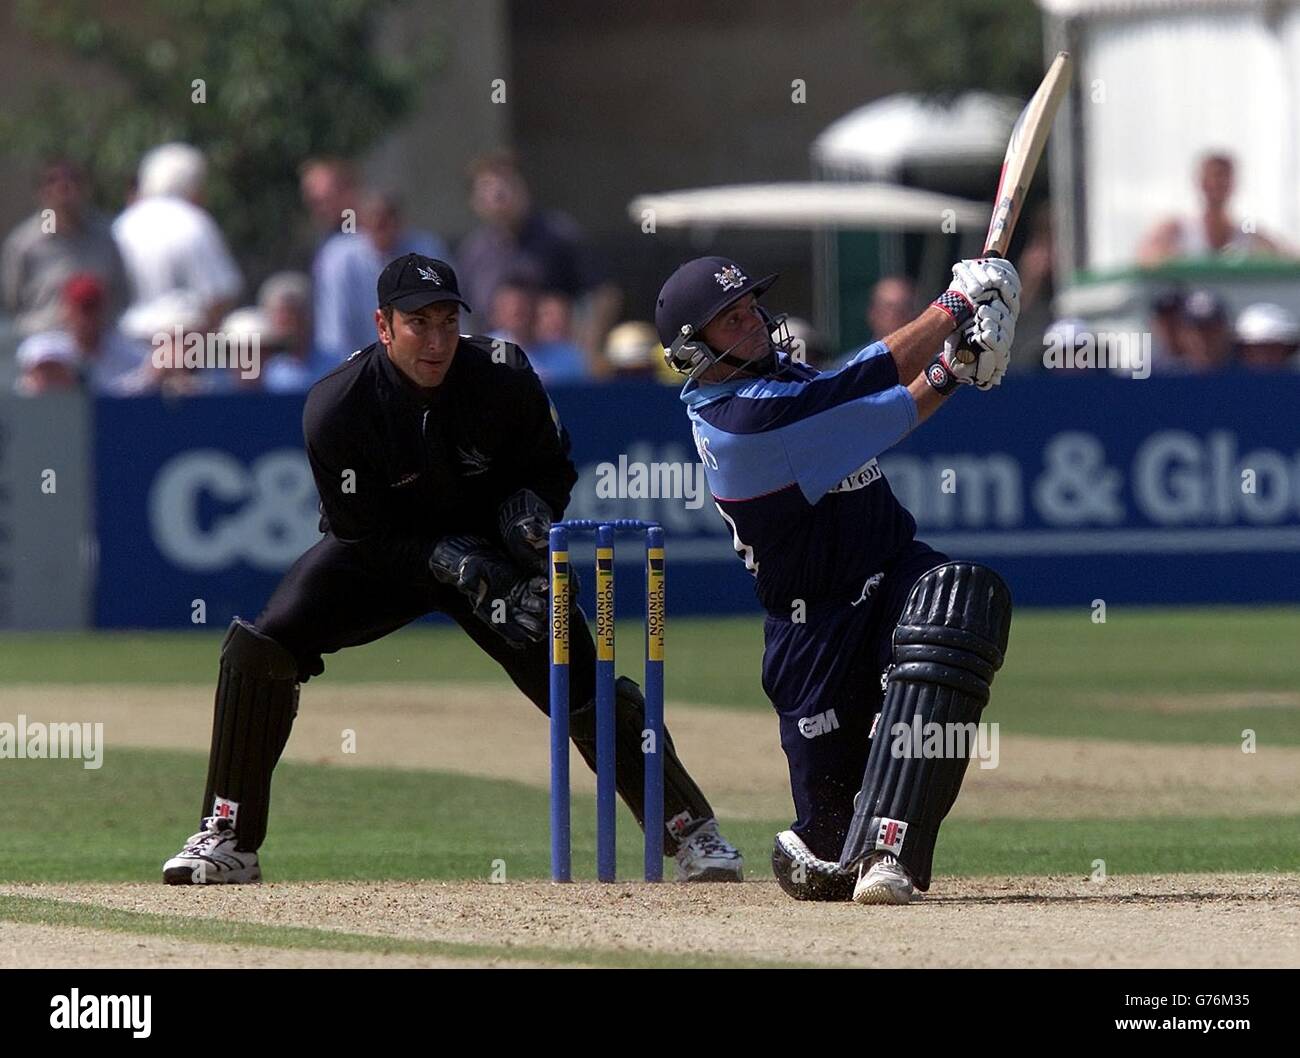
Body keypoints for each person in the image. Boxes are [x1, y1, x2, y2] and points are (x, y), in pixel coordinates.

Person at [162, 253, 744, 885]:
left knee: (580, 681)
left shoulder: (503, 374)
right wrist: (448, 562)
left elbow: (551, 470)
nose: (437, 340)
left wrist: (529, 526)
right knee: (263, 645)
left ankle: (692, 833)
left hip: (493, 553)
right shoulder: (337, 405)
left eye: (447, 321)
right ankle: (227, 835)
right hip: (384, 558)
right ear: (383, 327)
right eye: (418, 323)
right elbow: (360, 532)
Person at [655, 255, 1018, 905]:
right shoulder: (741, 423)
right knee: (824, 854)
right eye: (729, 323)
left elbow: (880, 418)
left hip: (891, 571)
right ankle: (847, 841)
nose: (753, 327)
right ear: (693, 350)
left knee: (959, 601)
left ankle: (895, 851)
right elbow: (860, 383)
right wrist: (954, 310)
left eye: (749, 311)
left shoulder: (781, 381)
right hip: (814, 631)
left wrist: (955, 368)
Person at [457, 152, 620, 361]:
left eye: (507, 183)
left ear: (523, 188)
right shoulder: (472, 252)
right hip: (494, 365)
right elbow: (464, 316)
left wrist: (589, 350)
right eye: (488, 188)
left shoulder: (559, 235)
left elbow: (605, 294)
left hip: (557, 367)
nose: (500, 194)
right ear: (475, 202)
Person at [112, 143, 243, 340]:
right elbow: (221, 294)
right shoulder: (194, 222)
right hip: (182, 343)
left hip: (127, 343)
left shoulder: (122, 225)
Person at [313, 190, 450, 359]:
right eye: (374, 220)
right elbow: (335, 325)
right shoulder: (339, 257)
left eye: (387, 219)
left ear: (400, 221)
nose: (381, 226)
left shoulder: (427, 249)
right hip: (358, 358)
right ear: (362, 221)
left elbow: (446, 307)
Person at [1, 158, 128, 337]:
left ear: (86, 188)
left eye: (72, 179)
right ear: (41, 192)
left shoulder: (106, 236)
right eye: (52, 181)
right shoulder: (26, 243)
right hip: (45, 339)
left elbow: (121, 292)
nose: (63, 186)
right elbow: (13, 301)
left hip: (100, 340)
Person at [1137, 153, 1289, 266]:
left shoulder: (1248, 231)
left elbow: (1287, 256)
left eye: (1224, 178)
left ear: (1233, 184)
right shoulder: (1176, 227)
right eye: (1213, 177)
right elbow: (1146, 257)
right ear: (1200, 182)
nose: (1217, 184)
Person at [257, 272, 336, 393]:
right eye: (282, 317)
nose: (291, 325)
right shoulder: (259, 368)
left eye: (296, 314)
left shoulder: (335, 365)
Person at [1234, 302, 1300, 370]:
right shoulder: (1227, 378)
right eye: (1259, 348)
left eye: (1275, 349)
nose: (1266, 356)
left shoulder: (1294, 378)